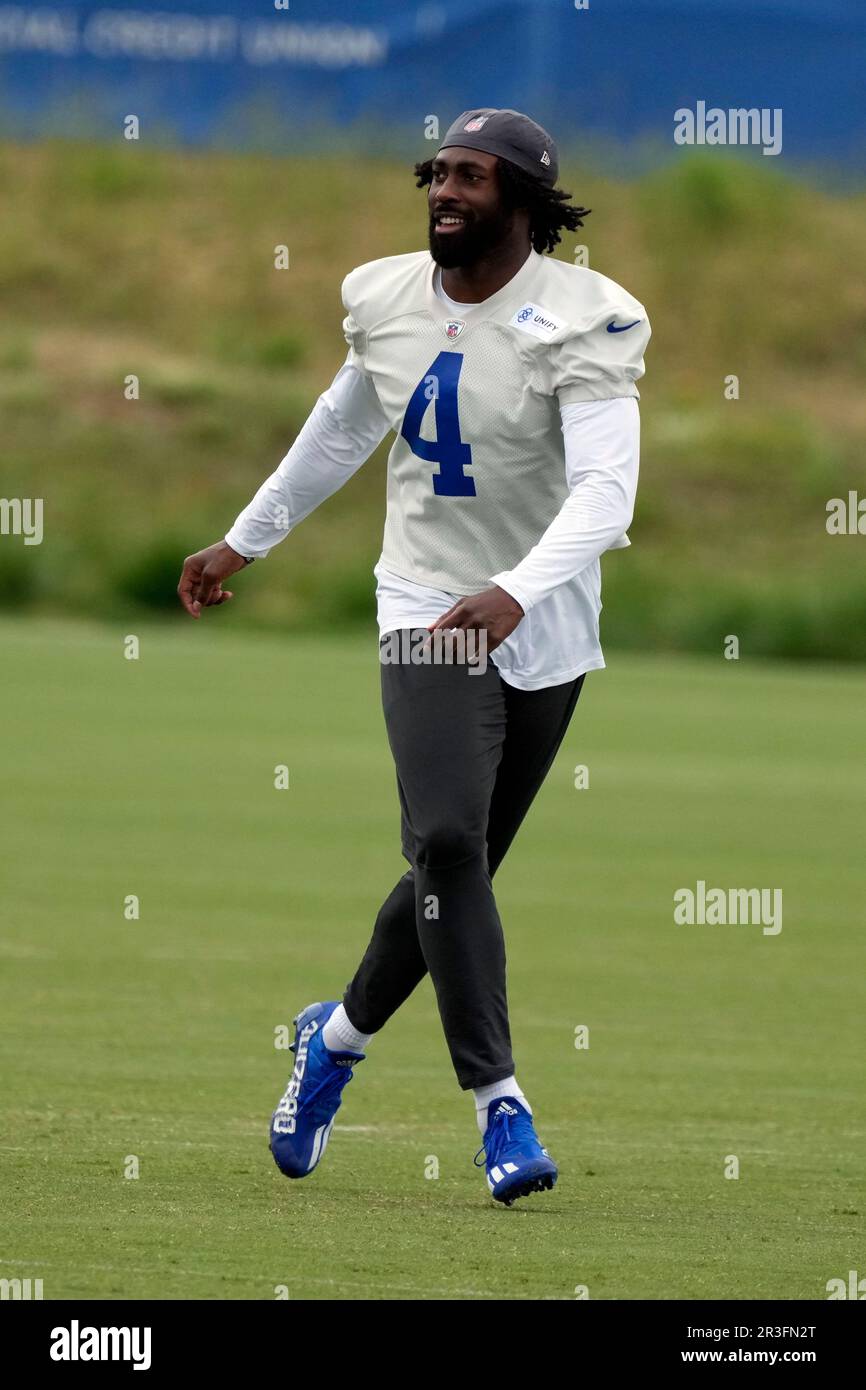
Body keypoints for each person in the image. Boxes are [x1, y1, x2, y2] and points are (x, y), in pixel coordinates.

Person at [177, 107, 651, 1205]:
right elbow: (346, 424)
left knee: (457, 862)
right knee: (444, 835)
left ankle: (333, 1039)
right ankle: (500, 1106)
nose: (442, 190)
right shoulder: (384, 297)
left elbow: (605, 493)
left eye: (470, 177)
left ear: (522, 202)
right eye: (435, 172)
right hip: (424, 602)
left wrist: (515, 593)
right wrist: (248, 535)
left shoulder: (584, 318)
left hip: (542, 612)